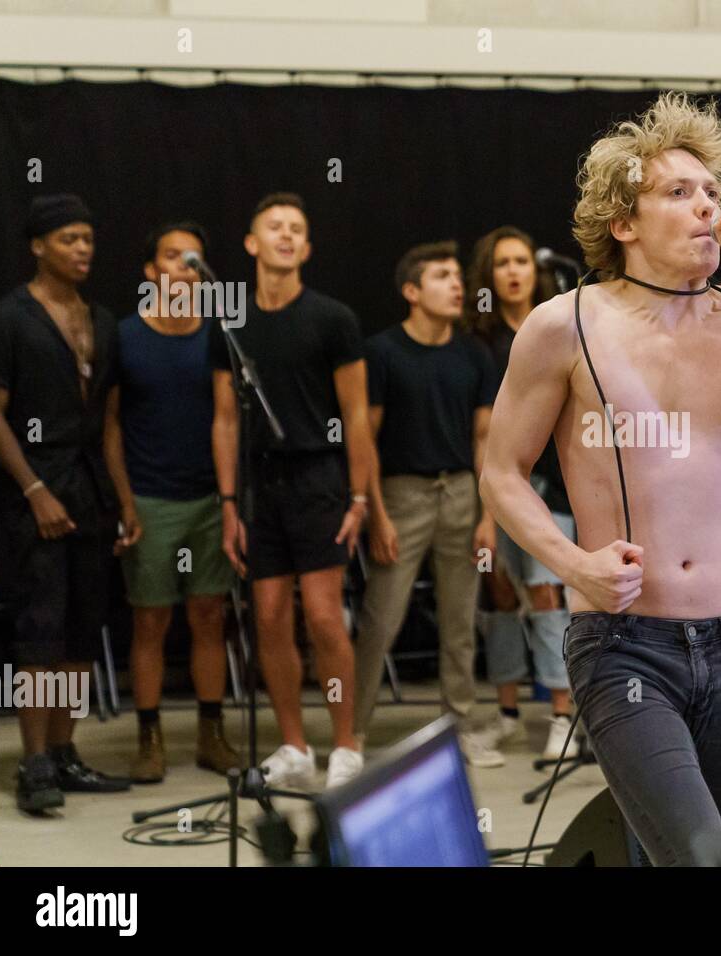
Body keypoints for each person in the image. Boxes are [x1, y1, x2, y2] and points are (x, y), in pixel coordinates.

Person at [479, 91, 721, 865]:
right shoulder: (565, 324)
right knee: (701, 857)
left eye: (712, 191)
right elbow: (501, 473)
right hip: (626, 645)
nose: (706, 206)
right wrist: (573, 566)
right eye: (678, 191)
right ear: (624, 224)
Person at [210, 193, 370, 790]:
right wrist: (228, 503)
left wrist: (358, 498)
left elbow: (355, 416)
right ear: (252, 242)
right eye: (273, 226)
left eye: (296, 229)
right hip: (258, 485)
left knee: (325, 616)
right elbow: (224, 419)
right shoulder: (229, 320)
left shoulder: (332, 318)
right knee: (269, 617)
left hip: (318, 479)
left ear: (306, 247)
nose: (285, 235)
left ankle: (346, 745)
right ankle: (294, 745)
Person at [0, 194, 132, 812]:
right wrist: (35, 490)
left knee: (79, 630)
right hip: (35, 491)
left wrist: (125, 500)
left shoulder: (102, 319)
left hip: (91, 489)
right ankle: (34, 762)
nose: (82, 249)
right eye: (69, 238)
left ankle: (66, 751)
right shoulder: (9, 316)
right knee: (40, 631)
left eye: (88, 239)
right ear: (39, 245)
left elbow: (110, 422)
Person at [353, 241, 502, 765]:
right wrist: (376, 512)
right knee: (381, 618)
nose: (457, 284)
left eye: (457, 276)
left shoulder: (473, 354)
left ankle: (460, 725)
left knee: (461, 621)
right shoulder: (383, 352)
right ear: (412, 291)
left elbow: (485, 438)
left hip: (461, 489)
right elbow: (364, 437)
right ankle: (353, 733)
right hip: (402, 493)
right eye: (441, 275)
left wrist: (489, 513)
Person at [104, 221, 239, 782]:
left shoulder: (216, 336)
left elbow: (226, 419)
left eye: (194, 260)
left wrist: (230, 502)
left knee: (210, 616)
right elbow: (109, 425)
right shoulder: (125, 336)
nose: (184, 268)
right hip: (150, 499)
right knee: (151, 622)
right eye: (172, 257)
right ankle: (149, 737)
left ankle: (212, 733)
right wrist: (126, 500)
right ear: (149, 270)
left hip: (208, 498)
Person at [465, 226, 578, 761]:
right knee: (500, 591)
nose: (513, 271)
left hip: (554, 483)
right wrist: (486, 505)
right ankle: (507, 712)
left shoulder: (559, 324)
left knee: (545, 590)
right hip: (500, 480)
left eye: (521, 262)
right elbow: (484, 430)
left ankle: (562, 714)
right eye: (502, 263)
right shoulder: (480, 343)